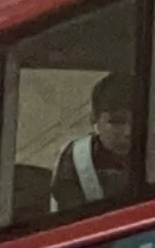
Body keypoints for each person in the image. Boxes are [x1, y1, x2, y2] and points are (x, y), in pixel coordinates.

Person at [49, 72, 137, 216]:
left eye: (138, 121)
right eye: (116, 122)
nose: (128, 132)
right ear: (94, 119)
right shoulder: (77, 158)